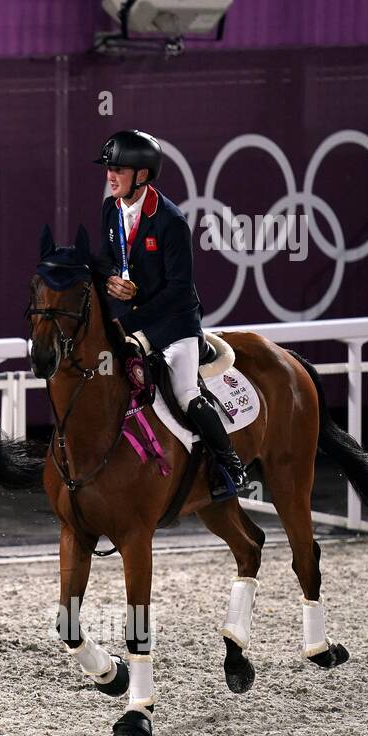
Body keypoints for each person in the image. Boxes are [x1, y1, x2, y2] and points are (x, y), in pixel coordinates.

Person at [94, 129, 247, 494]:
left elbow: (179, 290)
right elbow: (104, 260)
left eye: (118, 169)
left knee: (184, 393)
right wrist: (111, 278)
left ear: (142, 176)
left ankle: (231, 465)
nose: (110, 176)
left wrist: (132, 308)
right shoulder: (110, 209)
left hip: (173, 324)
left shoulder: (170, 221)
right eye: (108, 169)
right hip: (131, 321)